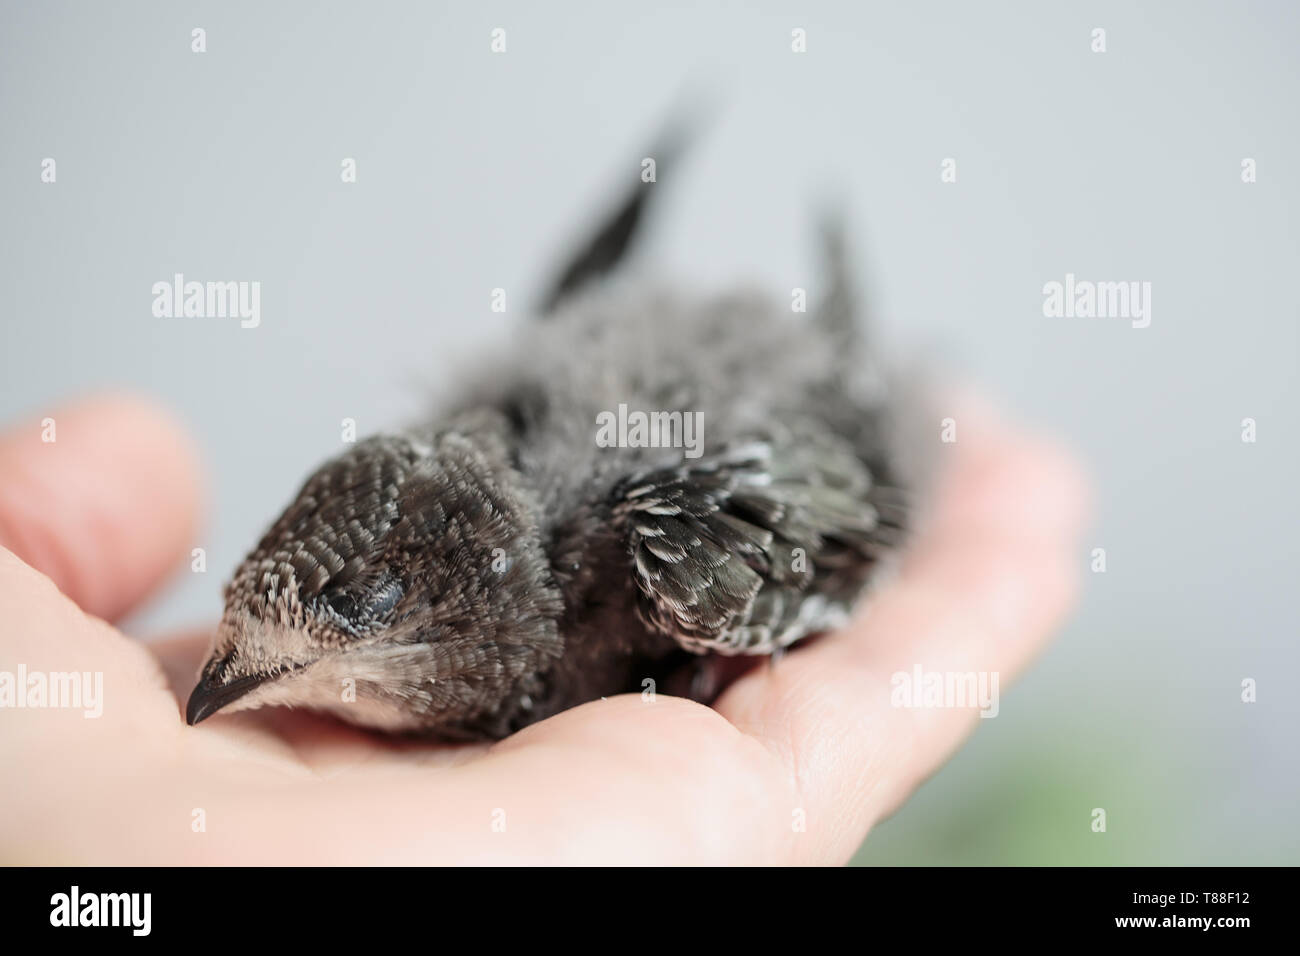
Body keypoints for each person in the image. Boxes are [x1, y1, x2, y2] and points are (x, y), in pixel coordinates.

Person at [0, 391, 1086, 864]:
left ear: (457, 605)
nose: (238, 669)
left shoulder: (663, 554)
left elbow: (857, 507)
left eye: (348, 613)